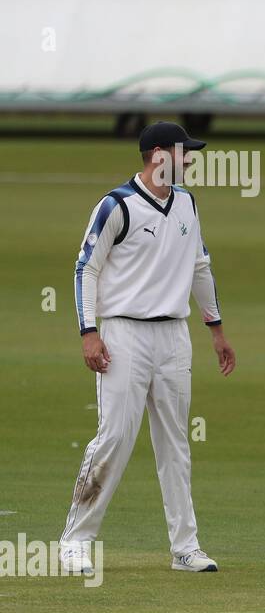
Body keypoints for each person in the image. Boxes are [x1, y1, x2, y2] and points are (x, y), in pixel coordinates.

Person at [62, 121, 236, 576]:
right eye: (185, 152)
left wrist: (215, 327)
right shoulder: (116, 205)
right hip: (123, 335)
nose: (191, 159)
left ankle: (185, 546)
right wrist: (89, 331)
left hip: (174, 335)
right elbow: (86, 269)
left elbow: (200, 265)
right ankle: (76, 540)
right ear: (159, 154)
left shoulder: (187, 203)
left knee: (175, 442)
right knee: (115, 437)